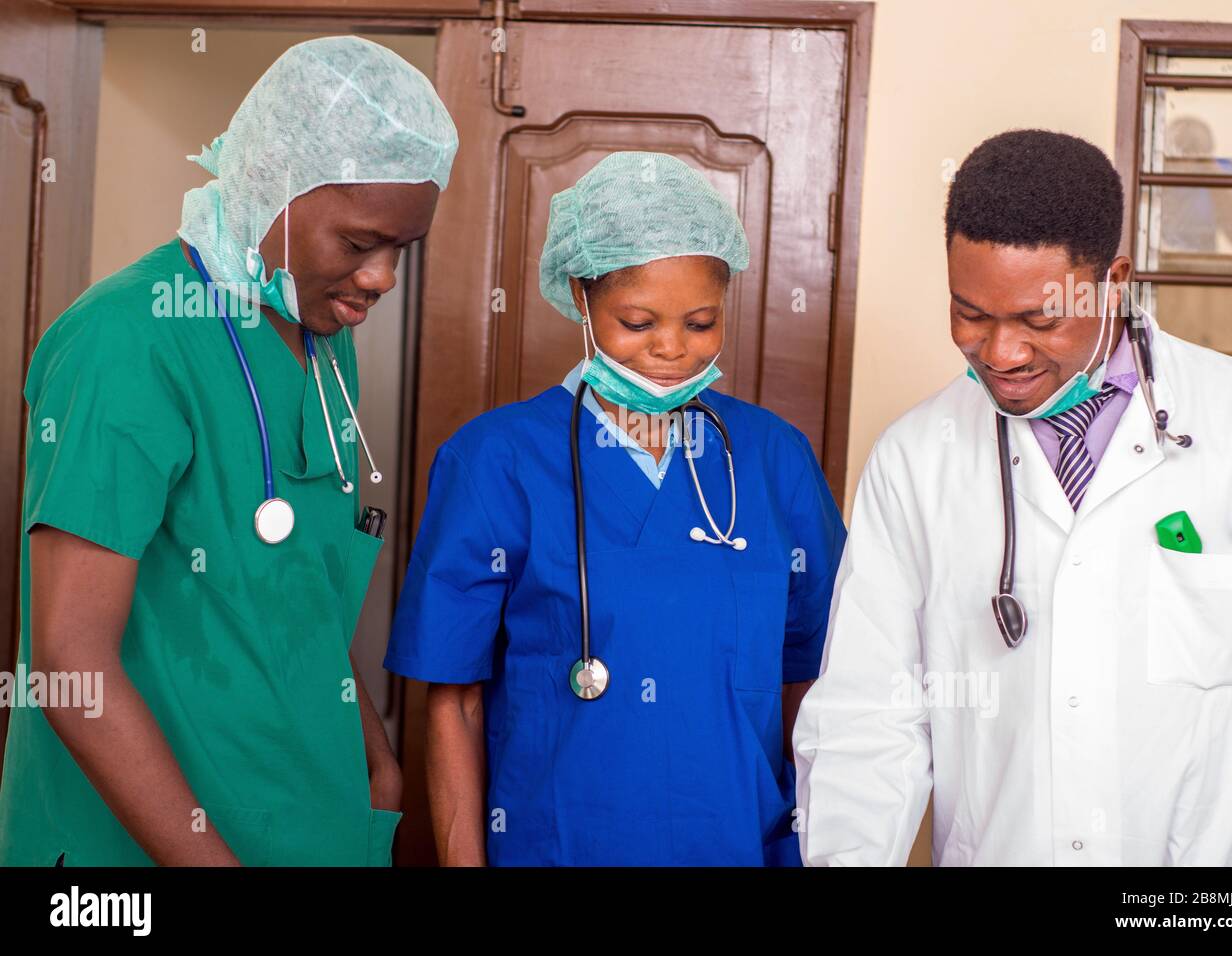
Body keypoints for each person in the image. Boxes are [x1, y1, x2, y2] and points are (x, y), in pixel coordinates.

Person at [0, 36, 459, 866]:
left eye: (403, 250)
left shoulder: (318, 336)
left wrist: (372, 754)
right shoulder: (127, 340)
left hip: (304, 811)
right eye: (360, 245)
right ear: (267, 180)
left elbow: (291, 585)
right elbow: (70, 663)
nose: (383, 279)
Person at [794, 129, 1232, 866]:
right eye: (970, 313)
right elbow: (867, 719)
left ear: (1115, 280)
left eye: (1039, 319)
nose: (1001, 353)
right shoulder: (914, 458)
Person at [384, 151, 847, 866]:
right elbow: (454, 699)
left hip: (737, 843)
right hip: (554, 843)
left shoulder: (772, 458)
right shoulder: (495, 460)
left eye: (700, 323)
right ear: (580, 295)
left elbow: (813, 678)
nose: (670, 350)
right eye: (636, 321)